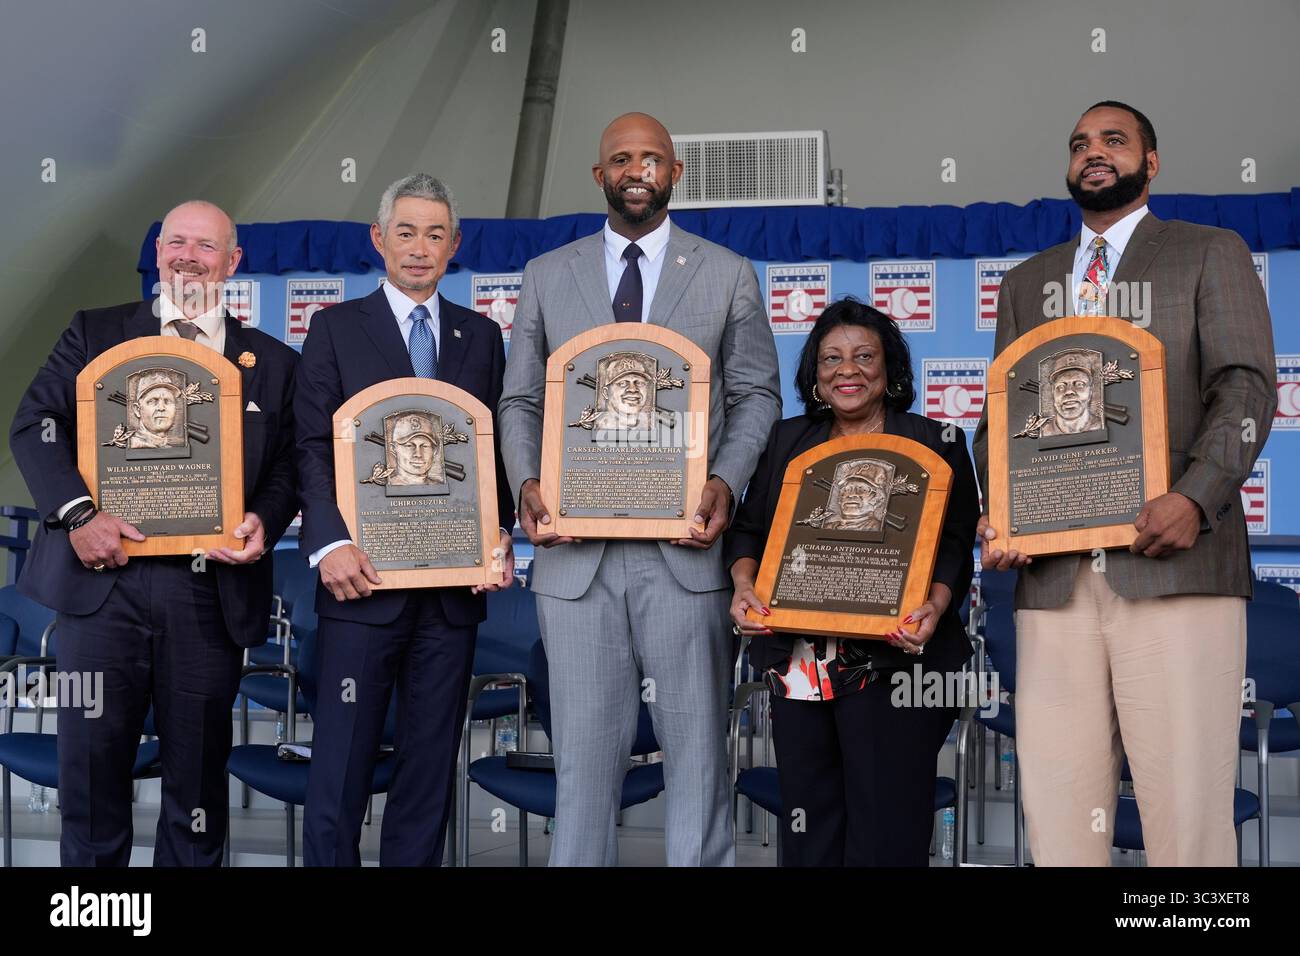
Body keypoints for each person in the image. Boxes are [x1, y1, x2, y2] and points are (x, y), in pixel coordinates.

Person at [972, 101, 1277, 866]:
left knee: (1187, 814)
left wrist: (1196, 496)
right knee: (1060, 812)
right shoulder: (1026, 281)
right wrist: (1002, 513)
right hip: (1053, 583)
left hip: (1175, 567)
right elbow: (1000, 421)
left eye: (1113, 140)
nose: (1093, 154)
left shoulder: (1209, 251)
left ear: (1152, 161)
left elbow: (1245, 389)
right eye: (1079, 145)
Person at [498, 111, 781, 866]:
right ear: (599, 176)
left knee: (697, 760)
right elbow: (519, 401)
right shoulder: (546, 275)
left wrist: (725, 478)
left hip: (686, 556)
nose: (637, 170)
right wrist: (527, 480)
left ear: (674, 173)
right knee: (583, 766)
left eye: (651, 159)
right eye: (621, 158)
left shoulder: (725, 273)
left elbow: (756, 395)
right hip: (575, 560)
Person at [9, 200, 300, 866]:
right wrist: (80, 514)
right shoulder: (94, 332)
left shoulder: (275, 362)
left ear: (232, 263)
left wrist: (266, 518)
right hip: (100, 589)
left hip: (208, 595)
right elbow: (35, 427)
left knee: (196, 789)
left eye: (205, 246)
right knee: (89, 778)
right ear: (158, 252)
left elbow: (288, 466)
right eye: (176, 242)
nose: (188, 256)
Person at [296, 174, 515, 867]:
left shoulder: (479, 335)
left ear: (453, 246)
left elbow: (492, 452)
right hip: (359, 585)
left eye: (435, 234)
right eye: (406, 231)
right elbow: (309, 445)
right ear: (379, 239)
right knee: (340, 769)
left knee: (427, 772)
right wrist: (328, 541)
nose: (419, 248)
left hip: (451, 599)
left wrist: (497, 535)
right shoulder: (333, 328)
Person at [725, 299, 979, 866]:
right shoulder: (785, 441)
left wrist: (934, 606)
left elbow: (956, 545)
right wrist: (745, 587)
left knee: (885, 824)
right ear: (814, 375)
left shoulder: (937, 441)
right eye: (832, 358)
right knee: (810, 824)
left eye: (865, 356)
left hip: (900, 662)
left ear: (889, 369)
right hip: (800, 667)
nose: (849, 370)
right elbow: (746, 534)